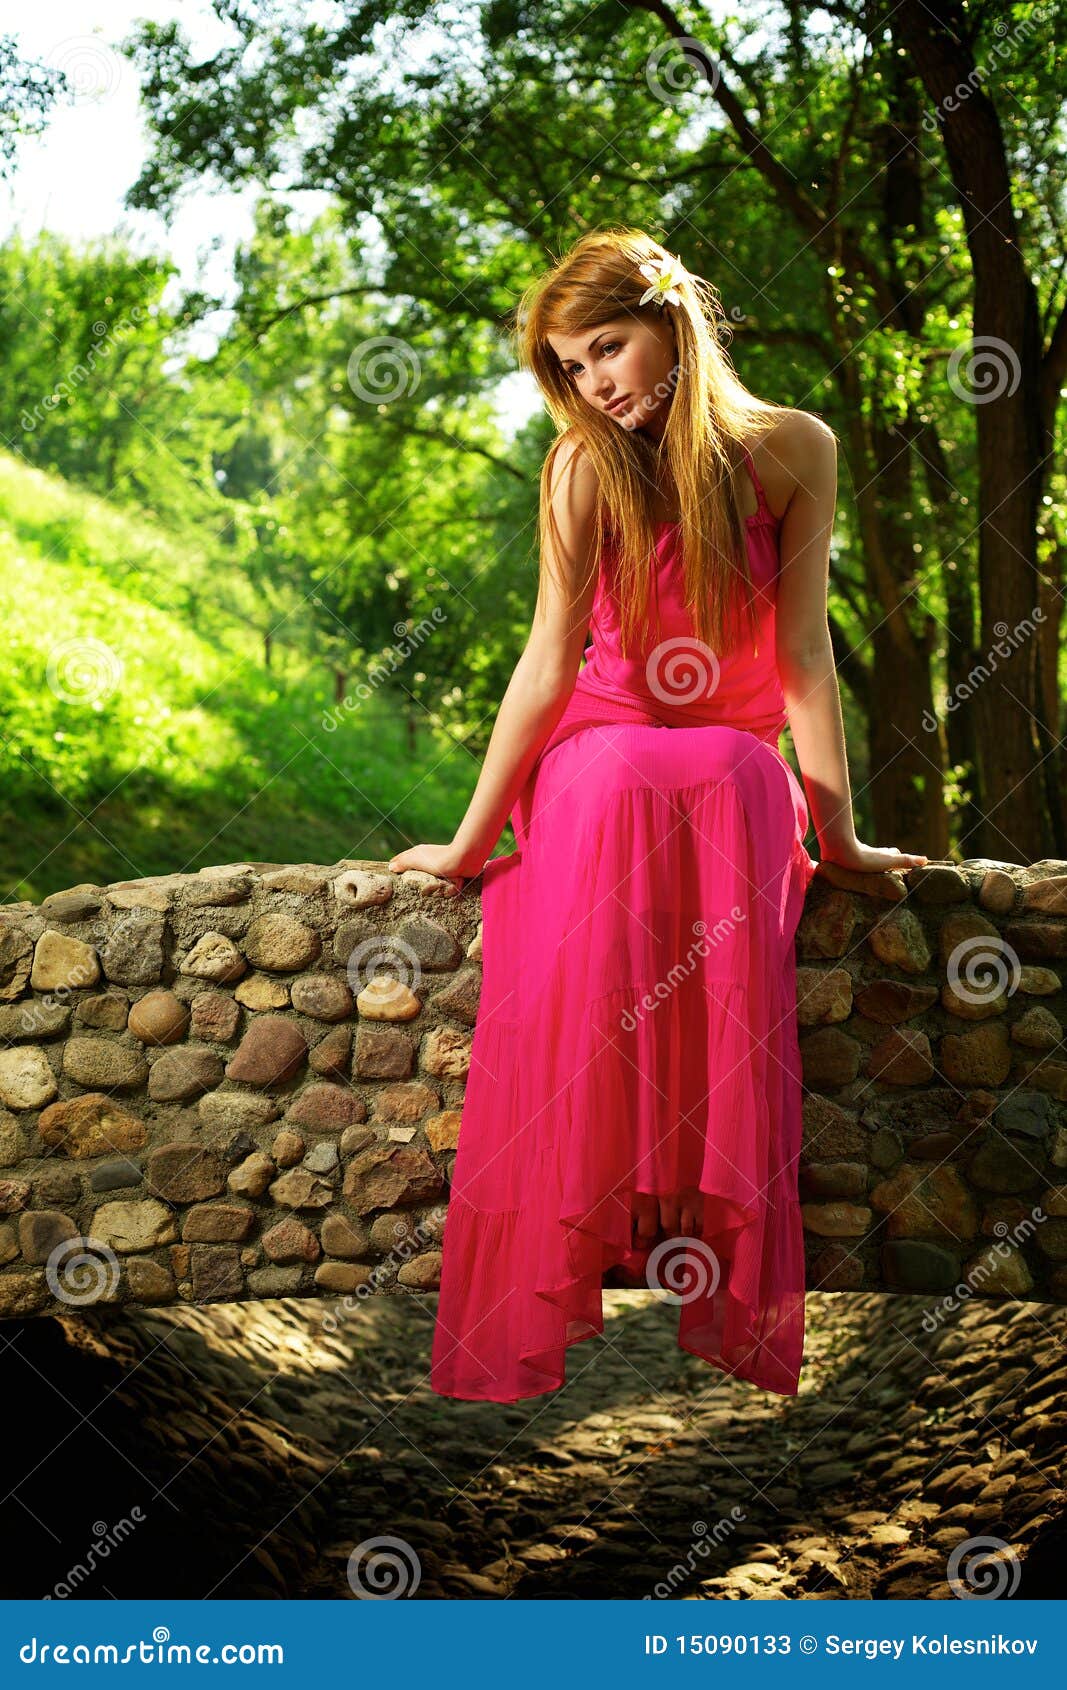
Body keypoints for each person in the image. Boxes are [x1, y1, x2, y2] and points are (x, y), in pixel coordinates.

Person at [388, 226, 928, 1402]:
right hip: (593, 754)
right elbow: (544, 665)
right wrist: (470, 842)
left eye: (606, 349)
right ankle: (610, 1196)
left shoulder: (794, 448)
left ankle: (680, 1194)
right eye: (571, 368)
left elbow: (798, 657)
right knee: (638, 768)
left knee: (736, 777)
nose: (594, 384)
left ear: (671, 319)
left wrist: (835, 835)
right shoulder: (580, 465)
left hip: (731, 757)